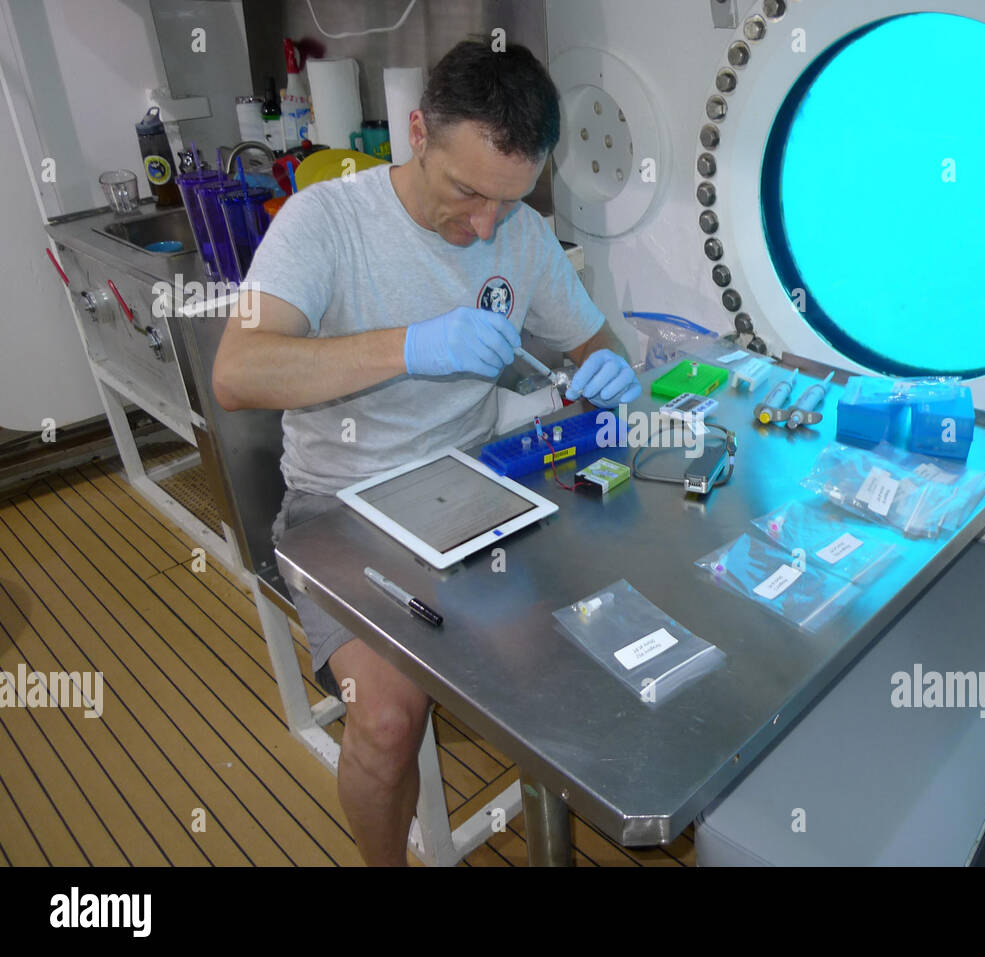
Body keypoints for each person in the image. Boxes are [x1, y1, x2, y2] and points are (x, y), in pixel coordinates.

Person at [211, 38, 641, 865]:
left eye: (508, 203)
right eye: (467, 191)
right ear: (416, 132)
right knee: (383, 722)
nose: (483, 225)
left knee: (574, 662)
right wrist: (410, 346)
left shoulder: (519, 233)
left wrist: (606, 368)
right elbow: (238, 370)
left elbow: (593, 341)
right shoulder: (325, 221)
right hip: (341, 509)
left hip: (480, 484)